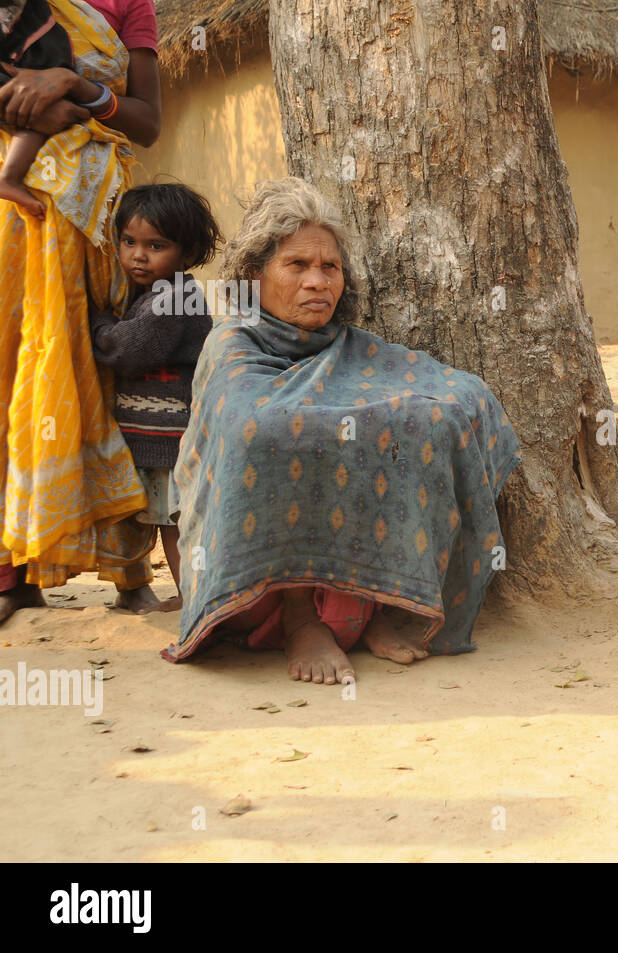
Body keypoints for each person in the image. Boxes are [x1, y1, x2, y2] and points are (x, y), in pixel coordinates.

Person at [161, 178, 522, 686]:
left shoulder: (347, 344)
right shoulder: (233, 343)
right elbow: (248, 426)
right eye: (297, 265)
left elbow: (451, 390)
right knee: (271, 438)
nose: (318, 281)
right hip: (251, 582)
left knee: (424, 422)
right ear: (253, 275)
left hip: (350, 572)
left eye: (329, 267)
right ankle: (300, 619)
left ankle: (370, 608)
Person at [0, 0, 162, 624]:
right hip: (12, 211)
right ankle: (13, 572)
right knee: (12, 376)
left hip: (95, 215)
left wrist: (74, 84)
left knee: (106, 372)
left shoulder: (131, 5)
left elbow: (147, 123)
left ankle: (129, 570)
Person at [89, 183, 221, 612]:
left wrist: (97, 325)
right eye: (129, 242)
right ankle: (184, 595)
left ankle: (191, 598)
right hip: (156, 440)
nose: (138, 256)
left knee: (176, 522)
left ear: (188, 253)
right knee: (166, 519)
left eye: (155, 245)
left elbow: (128, 350)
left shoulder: (175, 298)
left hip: (172, 441)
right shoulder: (153, 295)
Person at [0, 0, 78, 217]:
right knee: (39, 105)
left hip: (33, 41)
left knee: (44, 101)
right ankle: (10, 178)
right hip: (30, 45)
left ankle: (9, 177)